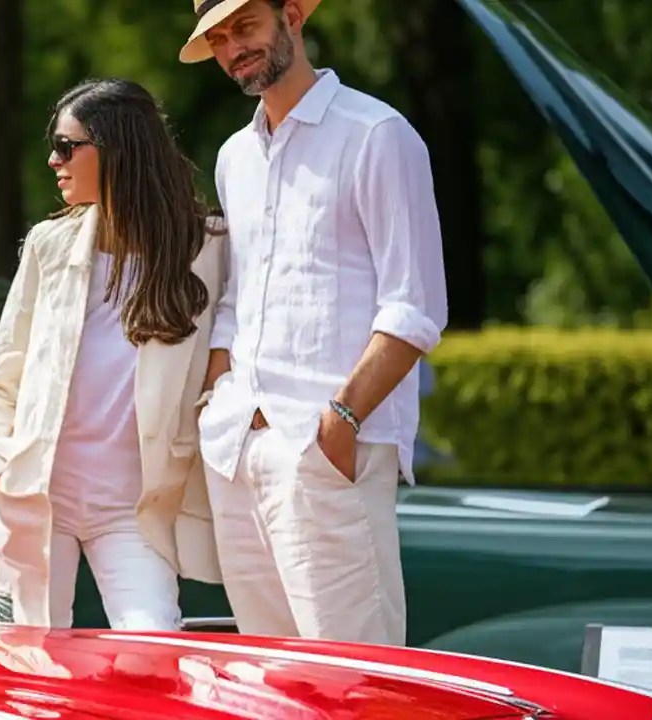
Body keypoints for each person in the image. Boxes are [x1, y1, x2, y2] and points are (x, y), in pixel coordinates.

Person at [178, 0, 449, 646]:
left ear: (293, 14)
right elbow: (237, 302)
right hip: (239, 449)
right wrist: (218, 402)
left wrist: (340, 423)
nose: (232, 48)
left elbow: (415, 309)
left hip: (328, 453)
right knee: (271, 685)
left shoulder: (378, 135)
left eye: (245, 26)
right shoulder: (235, 156)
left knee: (358, 686)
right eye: (217, 38)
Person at [0, 78, 226, 630]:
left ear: (118, 149)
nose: (53, 160)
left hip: (133, 511)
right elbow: (1, 378)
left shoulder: (209, 250)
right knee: (30, 671)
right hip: (35, 500)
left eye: (67, 145)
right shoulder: (49, 246)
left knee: (153, 655)